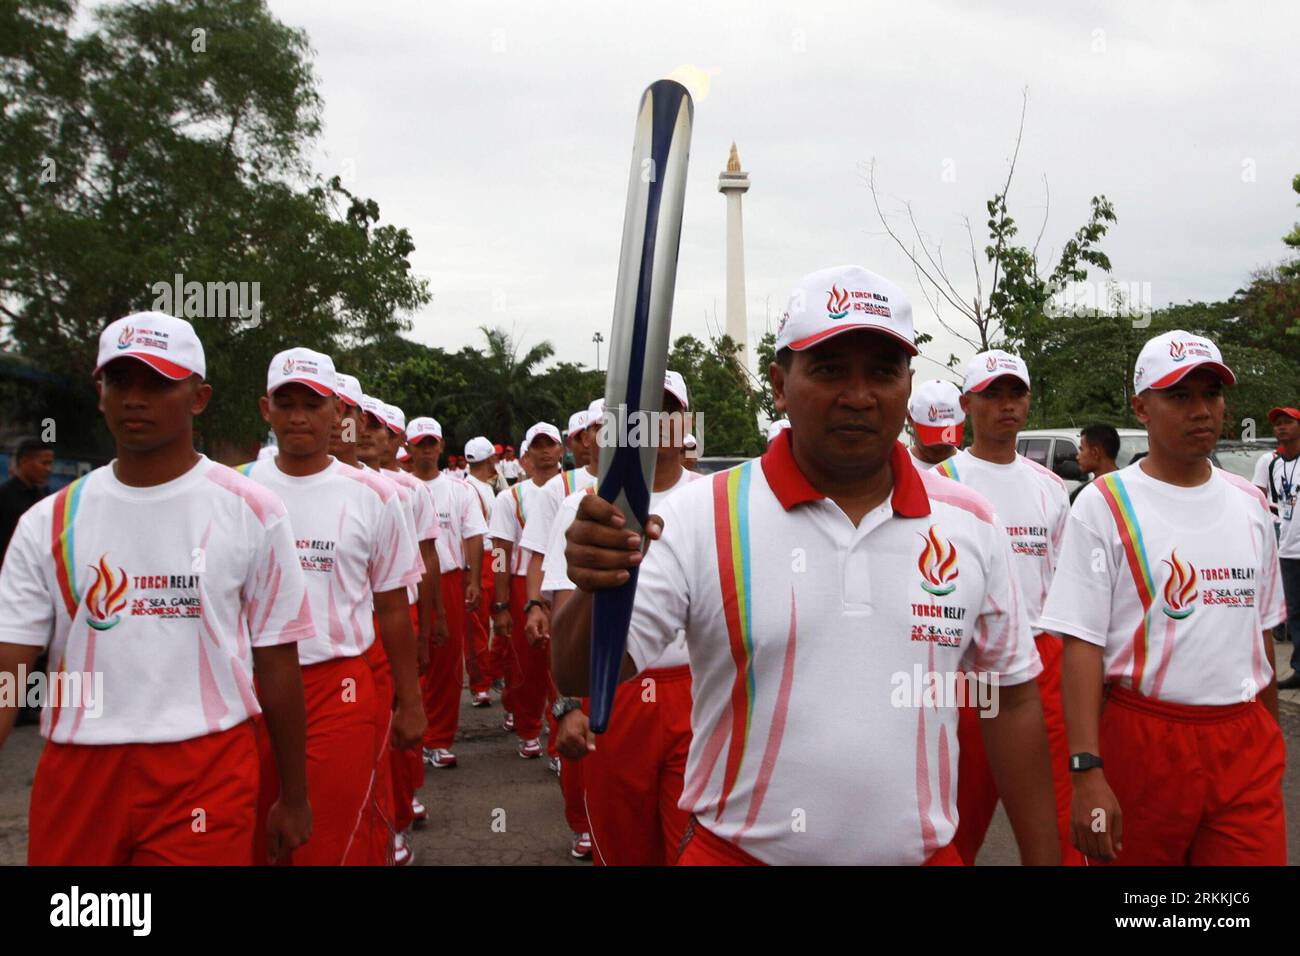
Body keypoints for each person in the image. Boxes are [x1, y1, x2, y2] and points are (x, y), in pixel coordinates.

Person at [553, 265, 1060, 866]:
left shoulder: (969, 522)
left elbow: (1012, 698)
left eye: (882, 371)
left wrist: (1042, 856)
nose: (858, 394)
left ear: (908, 383)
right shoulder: (704, 515)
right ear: (779, 383)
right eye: (827, 369)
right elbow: (580, 672)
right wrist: (594, 586)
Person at [0, 311, 314, 865]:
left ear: (198, 397)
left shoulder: (252, 511)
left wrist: (293, 795)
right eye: (120, 382)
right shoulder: (49, 522)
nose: (135, 399)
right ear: (101, 393)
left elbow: (278, 660)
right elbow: (11, 669)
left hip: (205, 768)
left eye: (158, 383)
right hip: (78, 771)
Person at [1041, 330, 1286, 865]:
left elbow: (1261, 633)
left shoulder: (1250, 502)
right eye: (1180, 396)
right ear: (1141, 407)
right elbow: (1081, 643)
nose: (1201, 411)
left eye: (1212, 395)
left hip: (1243, 742)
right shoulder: (1105, 503)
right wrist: (1086, 770)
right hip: (1144, 736)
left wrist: (1270, 738)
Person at [243, 348, 425, 865]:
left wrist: (410, 700)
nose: (298, 416)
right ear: (266, 409)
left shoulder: (374, 495)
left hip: (337, 688)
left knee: (331, 840)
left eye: (313, 403)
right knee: (257, 839)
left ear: (338, 414)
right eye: (286, 402)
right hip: (250, 691)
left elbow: (392, 606)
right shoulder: (238, 489)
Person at [544, 371, 700, 865]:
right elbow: (563, 609)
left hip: (700, 694)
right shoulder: (584, 505)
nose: (653, 422)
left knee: (692, 843)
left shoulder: (716, 500)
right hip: (615, 692)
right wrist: (568, 704)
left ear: (685, 424)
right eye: (640, 412)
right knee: (623, 841)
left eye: (667, 411)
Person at [933, 350, 1077, 865]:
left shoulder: (1051, 488)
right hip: (962, 665)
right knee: (952, 819)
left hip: (1040, 663)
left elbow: (1065, 585)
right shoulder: (940, 483)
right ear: (966, 404)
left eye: (1016, 393)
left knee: (1058, 822)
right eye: (992, 394)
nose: (1006, 405)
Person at [406, 416, 488, 768]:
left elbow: (473, 535)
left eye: (431, 443)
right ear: (408, 448)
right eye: (419, 444)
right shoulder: (399, 488)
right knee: (410, 660)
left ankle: (438, 739)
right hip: (407, 582)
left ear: (440, 446)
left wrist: (473, 578)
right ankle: (412, 737)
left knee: (446, 661)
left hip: (450, 579)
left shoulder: (459, 490)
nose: (426, 450)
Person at [488, 423, 564, 758]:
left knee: (563, 661)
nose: (545, 451)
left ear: (561, 450)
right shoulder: (511, 497)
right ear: (527, 453)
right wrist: (501, 602)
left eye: (551, 445)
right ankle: (529, 727)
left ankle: (558, 733)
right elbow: (502, 551)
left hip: (563, 581)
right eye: (539, 445)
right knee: (529, 663)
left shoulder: (573, 487)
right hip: (524, 583)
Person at [1253, 407, 1300, 665]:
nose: (1281, 427)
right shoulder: (1273, 464)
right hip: (1288, 547)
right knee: (1294, 611)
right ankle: (1298, 667)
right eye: (1278, 423)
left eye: (1288, 422)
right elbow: (1262, 496)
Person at [463, 436, 501, 706]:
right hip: (479, 561)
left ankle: (494, 675)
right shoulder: (468, 489)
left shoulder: (488, 487)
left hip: (493, 558)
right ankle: (480, 684)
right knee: (477, 626)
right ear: (489, 460)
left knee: (499, 620)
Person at [1, 438, 54, 566]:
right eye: (44, 463)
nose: (49, 469)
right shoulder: (4, 495)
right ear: (24, 461)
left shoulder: (44, 496)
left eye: (51, 463)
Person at [906, 380, 963, 469]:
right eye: (931, 433)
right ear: (910, 420)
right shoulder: (897, 468)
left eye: (948, 434)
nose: (939, 445)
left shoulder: (971, 471)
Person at [1071, 424, 1120, 504]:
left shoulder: (1084, 494)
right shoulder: (1132, 488)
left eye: (1082, 450)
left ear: (1095, 453)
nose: (1077, 457)